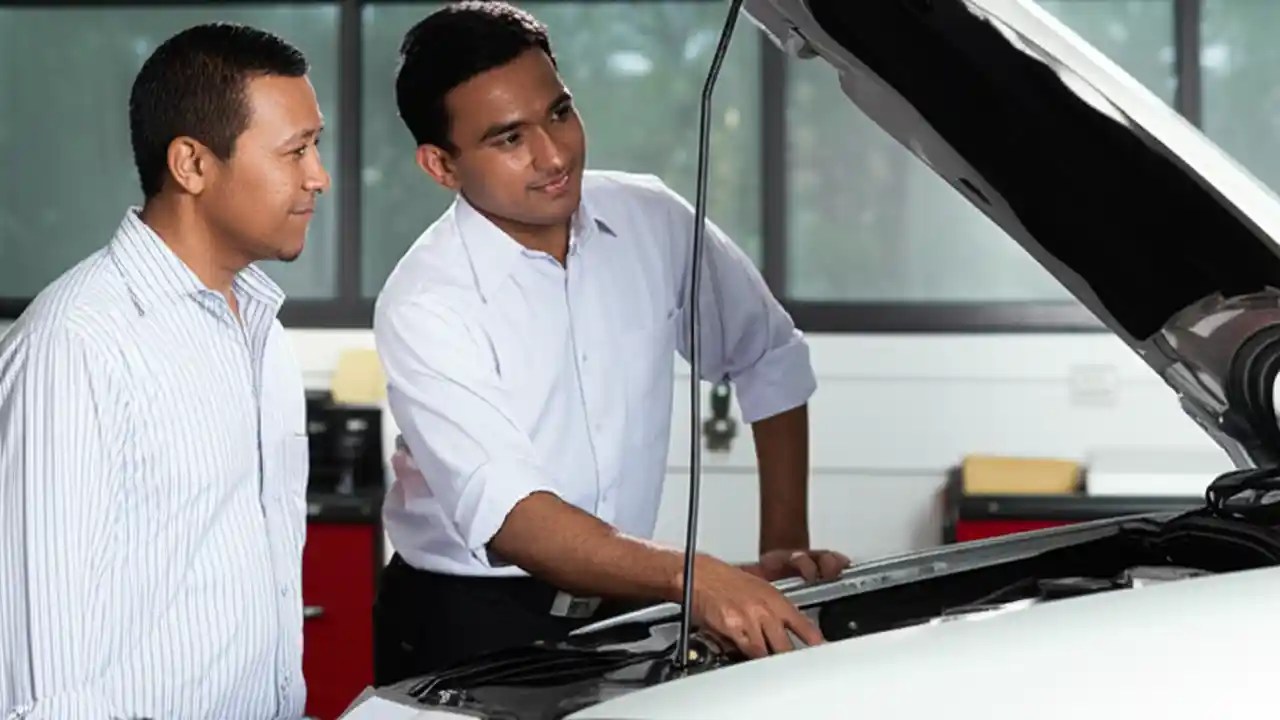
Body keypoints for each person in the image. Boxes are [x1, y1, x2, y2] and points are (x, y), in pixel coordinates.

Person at [370, 1, 851, 686]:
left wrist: (782, 549)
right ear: (440, 165)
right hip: (468, 622)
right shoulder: (426, 301)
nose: (554, 154)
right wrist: (696, 577)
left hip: (629, 603)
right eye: (509, 139)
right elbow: (515, 517)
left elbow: (769, 354)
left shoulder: (650, 218)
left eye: (559, 113)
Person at [0, 23, 329, 720]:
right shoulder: (76, 343)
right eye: (295, 151)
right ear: (191, 164)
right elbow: (42, 683)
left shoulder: (262, 330)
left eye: (316, 146)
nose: (318, 176)